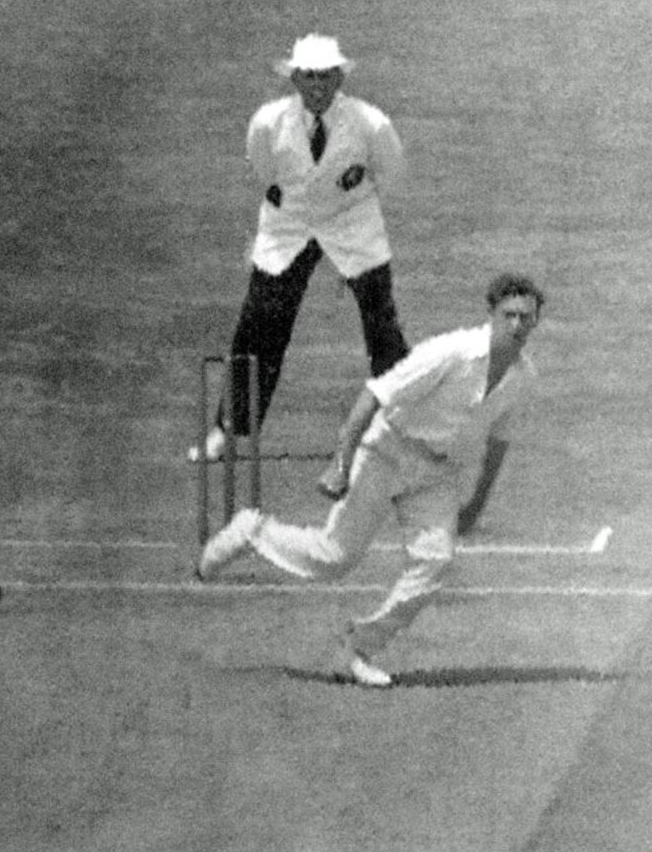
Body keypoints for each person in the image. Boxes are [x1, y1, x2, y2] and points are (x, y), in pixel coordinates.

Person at [196, 274, 546, 687]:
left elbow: (498, 445)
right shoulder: (450, 352)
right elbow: (375, 395)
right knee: (334, 558)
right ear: (491, 314)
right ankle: (252, 531)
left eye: (526, 317)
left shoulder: (524, 378)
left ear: (537, 321)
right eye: (509, 315)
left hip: (437, 474)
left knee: (435, 561)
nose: (517, 325)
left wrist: (475, 505)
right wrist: (341, 463)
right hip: (387, 450)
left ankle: (359, 649)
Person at [200, 34, 408, 487]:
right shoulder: (269, 122)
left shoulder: (369, 123)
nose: (317, 86)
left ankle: (406, 429)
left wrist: (351, 207)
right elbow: (263, 169)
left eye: (326, 76)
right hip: (288, 225)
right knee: (258, 325)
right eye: (308, 76)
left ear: (340, 77)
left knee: (383, 328)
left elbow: (390, 171)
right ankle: (229, 430)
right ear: (295, 78)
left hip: (353, 225)